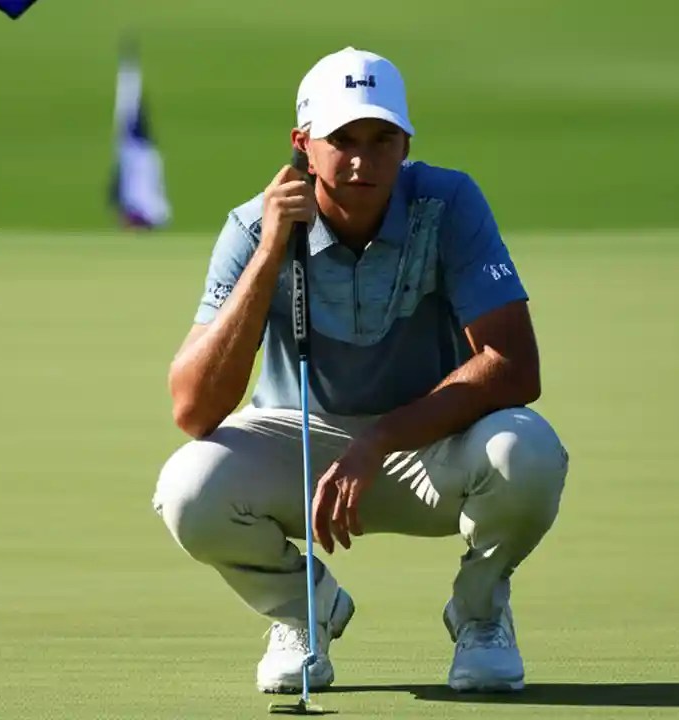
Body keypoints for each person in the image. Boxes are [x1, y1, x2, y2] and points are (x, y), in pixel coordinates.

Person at [151, 46, 570, 694]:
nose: (362, 160)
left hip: (429, 447)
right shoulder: (251, 225)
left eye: (382, 140)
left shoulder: (448, 203)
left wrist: (379, 439)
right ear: (303, 144)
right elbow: (193, 408)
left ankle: (481, 612)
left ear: (405, 144)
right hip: (298, 444)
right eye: (342, 139)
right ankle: (302, 611)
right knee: (187, 487)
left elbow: (515, 366)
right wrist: (269, 255)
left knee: (530, 450)